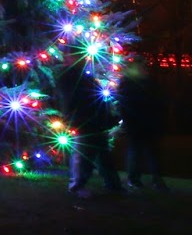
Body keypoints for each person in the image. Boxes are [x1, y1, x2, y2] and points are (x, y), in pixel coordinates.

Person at [55, 52, 122, 196]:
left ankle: (113, 184)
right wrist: (72, 117)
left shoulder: (85, 76)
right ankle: (77, 186)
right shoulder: (70, 77)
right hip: (84, 120)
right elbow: (70, 100)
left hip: (94, 119)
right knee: (84, 155)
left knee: (102, 154)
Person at [115, 59, 170, 192]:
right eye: (139, 67)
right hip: (137, 125)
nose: (142, 69)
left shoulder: (148, 83)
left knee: (151, 154)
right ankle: (135, 180)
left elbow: (159, 102)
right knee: (137, 153)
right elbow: (124, 106)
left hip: (148, 124)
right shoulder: (128, 84)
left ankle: (155, 180)